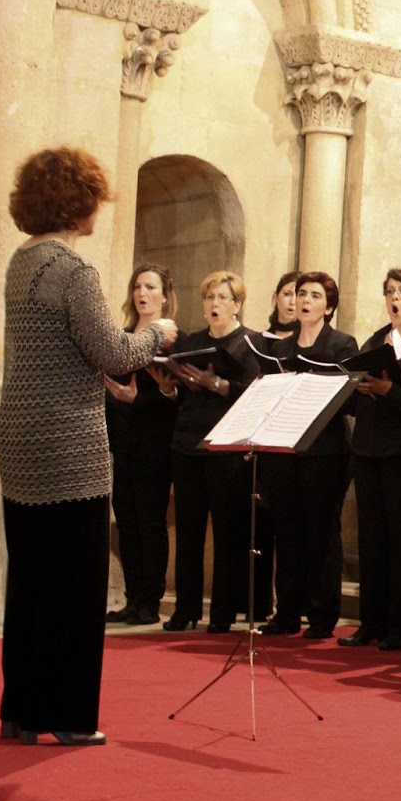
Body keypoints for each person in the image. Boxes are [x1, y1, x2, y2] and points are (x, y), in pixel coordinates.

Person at [0, 146, 177, 746]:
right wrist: (156, 333)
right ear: (78, 202)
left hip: (19, 438)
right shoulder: (75, 272)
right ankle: (70, 717)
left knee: (29, 582)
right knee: (75, 587)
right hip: (68, 445)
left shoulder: (21, 263)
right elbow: (115, 354)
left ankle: (20, 709)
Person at [165, 271, 267, 632]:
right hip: (188, 443)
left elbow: (256, 393)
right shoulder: (192, 341)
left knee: (228, 533)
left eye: (223, 298)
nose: (215, 304)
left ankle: (222, 613)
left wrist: (219, 384)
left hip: (228, 446)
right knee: (189, 531)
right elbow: (177, 389)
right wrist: (174, 382)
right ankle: (185, 609)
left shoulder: (252, 344)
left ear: (237, 304)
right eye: (210, 297)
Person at [341, 269, 401, 652]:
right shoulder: (376, 339)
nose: (395, 298)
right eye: (390, 291)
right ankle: (370, 623)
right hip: (368, 448)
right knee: (371, 540)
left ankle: (399, 626)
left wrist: (389, 390)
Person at [261, 272, 357, 638]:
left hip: (326, 451)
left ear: (328, 306)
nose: (305, 300)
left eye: (315, 295)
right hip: (285, 449)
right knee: (287, 533)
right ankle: (286, 612)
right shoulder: (280, 350)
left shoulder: (342, 345)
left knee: (321, 532)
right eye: (302, 293)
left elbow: (349, 398)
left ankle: (321, 615)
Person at [103, 264, 180, 626]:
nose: (142, 293)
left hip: (155, 444)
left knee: (150, 523)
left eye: (150, 287)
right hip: (122, 444)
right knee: (128, 522)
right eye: (137, 286)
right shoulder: (122, 337)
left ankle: (150, 600)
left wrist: (142, 399)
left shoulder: (173, 340)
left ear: (165, 295)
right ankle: (132, 598)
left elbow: (176, 402)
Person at [265, 271, 299, 336]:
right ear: (275, 297)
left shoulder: (310, 341)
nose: (292, 302)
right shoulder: (261, 340)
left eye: (299, 295)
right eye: (287, 294)